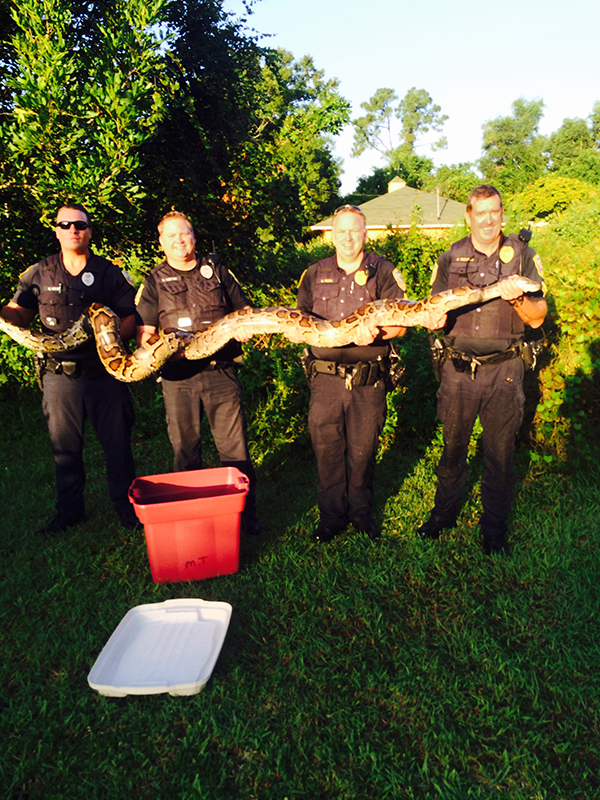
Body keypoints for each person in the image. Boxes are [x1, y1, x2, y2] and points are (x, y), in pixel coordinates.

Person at [297, 204, 445, 543]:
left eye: (354, 230)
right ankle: (331, 518)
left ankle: (361, 514)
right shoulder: (313, 273)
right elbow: (300, 320)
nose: (348, 237)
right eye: (341, 231)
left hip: (368, 379)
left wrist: (376, 334)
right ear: (332, 235)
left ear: (365, 234)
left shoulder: (385, 271)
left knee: (363, 451)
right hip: (326, 378)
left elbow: (402, 325)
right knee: (327, 450)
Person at [418, 184, 547, 555]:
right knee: (452, 449)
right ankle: (443, 515)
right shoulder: (449, 257)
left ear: (502, 214)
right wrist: (432, 321)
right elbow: (433, 313)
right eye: (482, 212)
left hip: (505, 370)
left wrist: (518, 299)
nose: (489, 220)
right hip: (457, 371)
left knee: (499, 455)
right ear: (469, 216)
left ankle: (494, 529)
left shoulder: (523, 255)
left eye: (495, 211)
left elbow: (537, 318)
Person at [1, 203, 138, 534]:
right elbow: (20, 315)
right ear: (57, 231)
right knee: (65, 447)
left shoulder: (109, 272)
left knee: (117, 444)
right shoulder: (39, 273)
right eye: (65, 224)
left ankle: (127, 507)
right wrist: (4, 314)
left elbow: (130, 319)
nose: (73, 229)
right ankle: (70, 510)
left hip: (104, 372)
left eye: (80, 224)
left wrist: (108, 337)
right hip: (59, 374)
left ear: (89, 231)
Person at [135, 211, 261, 535]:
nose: (179, 240)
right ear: (161, 242)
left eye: (185, 233)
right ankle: (191, 517)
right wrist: (160, 349)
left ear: (194, 236)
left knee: (234, 448)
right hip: (179, 379)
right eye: (172, 235)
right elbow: (145, 333)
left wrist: (246, 326)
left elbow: (244, 311)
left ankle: (245, 515)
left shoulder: (218, 270)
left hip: (221, 372)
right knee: (185, 449)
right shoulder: (153, 281)